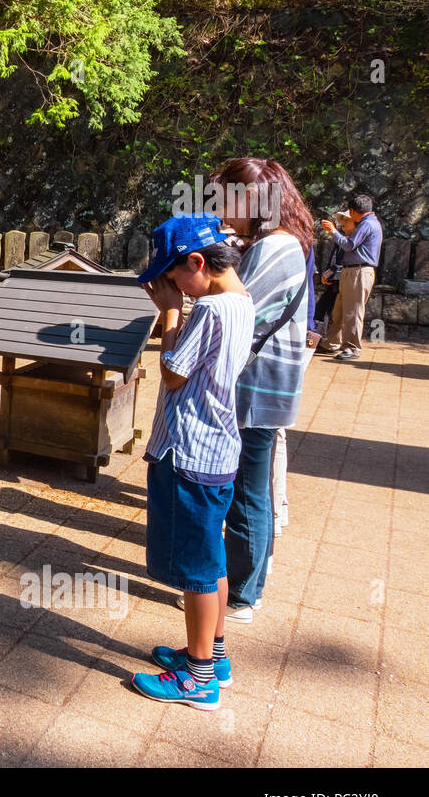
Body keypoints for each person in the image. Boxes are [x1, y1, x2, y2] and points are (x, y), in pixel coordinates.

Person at [130, 213, 254, 711]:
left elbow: (173, 373)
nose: (172, 287)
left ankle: (199, 679)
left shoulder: (209, 310)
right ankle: (213, 655)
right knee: (212, 559)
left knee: (196, 570)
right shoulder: (243, 302)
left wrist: (170, 313)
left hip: (189, 452)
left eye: (174, 276)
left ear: (198, 263)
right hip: (218, 451)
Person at [208, 158, 313, 624]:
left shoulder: (275, 247)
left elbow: (237, 310)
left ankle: (243, 595)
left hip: (257, 388)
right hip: (260, 385)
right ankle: (244, 583)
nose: (219, 208)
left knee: (248, 491)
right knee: (250, 487)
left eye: (226, 198)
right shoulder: (271, 242)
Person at [318, 195, 383, 361]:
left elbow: (348, 245)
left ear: (354, 211)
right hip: (352, 271)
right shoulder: (368, 223)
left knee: (353, 312)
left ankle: (352, 348)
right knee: (339, 310)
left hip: (359, 272)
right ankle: (332, 343)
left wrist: (332, 230)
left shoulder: (367, 224)